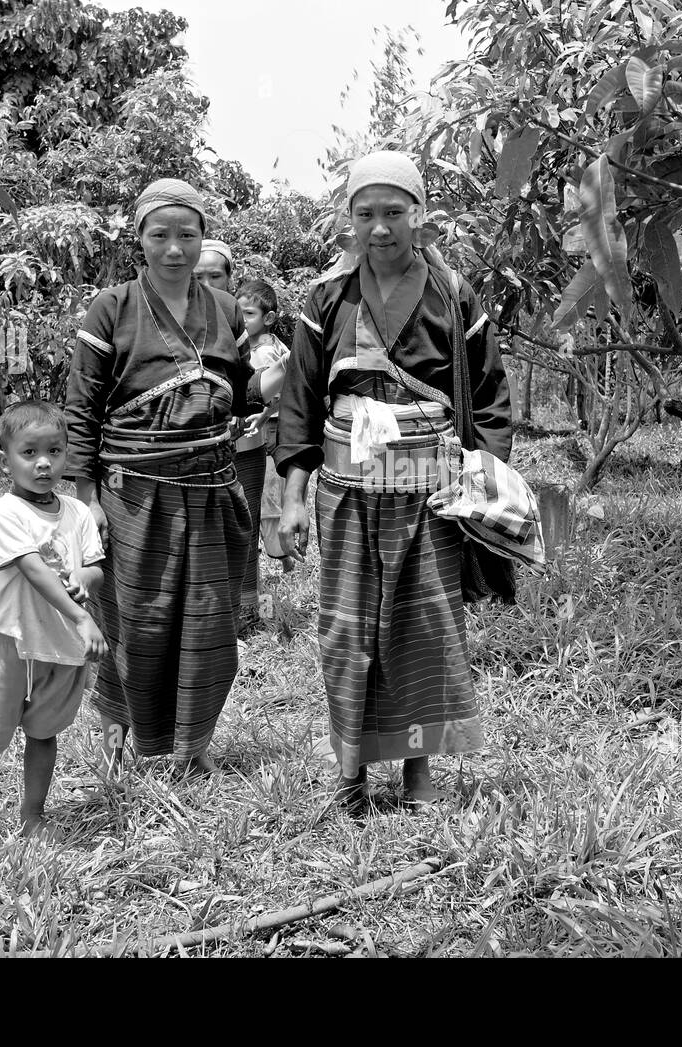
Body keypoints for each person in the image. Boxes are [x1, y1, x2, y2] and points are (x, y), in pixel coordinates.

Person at [276, 151, 512, 809]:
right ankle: (350, 771)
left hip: (429, 490)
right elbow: (299, 400)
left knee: (424, 629)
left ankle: (417, 772)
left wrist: (481, 479)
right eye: (365, 214)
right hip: (346, 490)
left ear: (419, 215)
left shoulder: (453, 295)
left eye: (393, 212)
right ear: (349, 220)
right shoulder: (327, 297)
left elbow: (489, 396)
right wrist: (292, 498)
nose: (379, 228)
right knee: (347, 632)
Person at [65, 179, 280, 779]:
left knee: (207, 620)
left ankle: (192, 748)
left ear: (203, 236)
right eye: (160, 234)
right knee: (134, 619)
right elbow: (82, 407)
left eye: (188, 234)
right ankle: (115, 742)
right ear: (139, 238)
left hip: (211, 488)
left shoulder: (226, 311)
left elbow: (238, 396)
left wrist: (273, 392)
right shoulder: (111, 308)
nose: (175, 248)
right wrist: (86, 498)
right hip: (133, 492)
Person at [0, 400, 106, 842]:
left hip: (62, 648)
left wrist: (84, 578)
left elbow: (95, 565)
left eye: (54, 451)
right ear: (5, 461)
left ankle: (33, 815)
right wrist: (81, 617)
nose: (43, 463)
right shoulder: (5, 514)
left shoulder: (77, 512)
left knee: (44, 735)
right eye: (29, 452)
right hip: (15, 644)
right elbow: (34, 569)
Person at [193, 240, 281, 629]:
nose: (206, 283)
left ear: (229, 279)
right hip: (197, 452)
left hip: (245, 448)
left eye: (215, 275)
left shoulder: (239, 327)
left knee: (246, 527)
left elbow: (255, 386)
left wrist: (263, 410)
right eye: (198, 275)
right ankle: (209, 613)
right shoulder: (172, 323)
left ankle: (247, 613)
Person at [235, 278, 293, 570]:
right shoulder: (263, 345)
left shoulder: (265, 352)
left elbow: (273, 392)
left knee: (267, 495)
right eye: (240, 313)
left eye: (249, 314)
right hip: (267, 429)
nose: (243, 319)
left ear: (268, 318)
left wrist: (265, 414)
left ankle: (281, 555)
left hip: (267, 431)